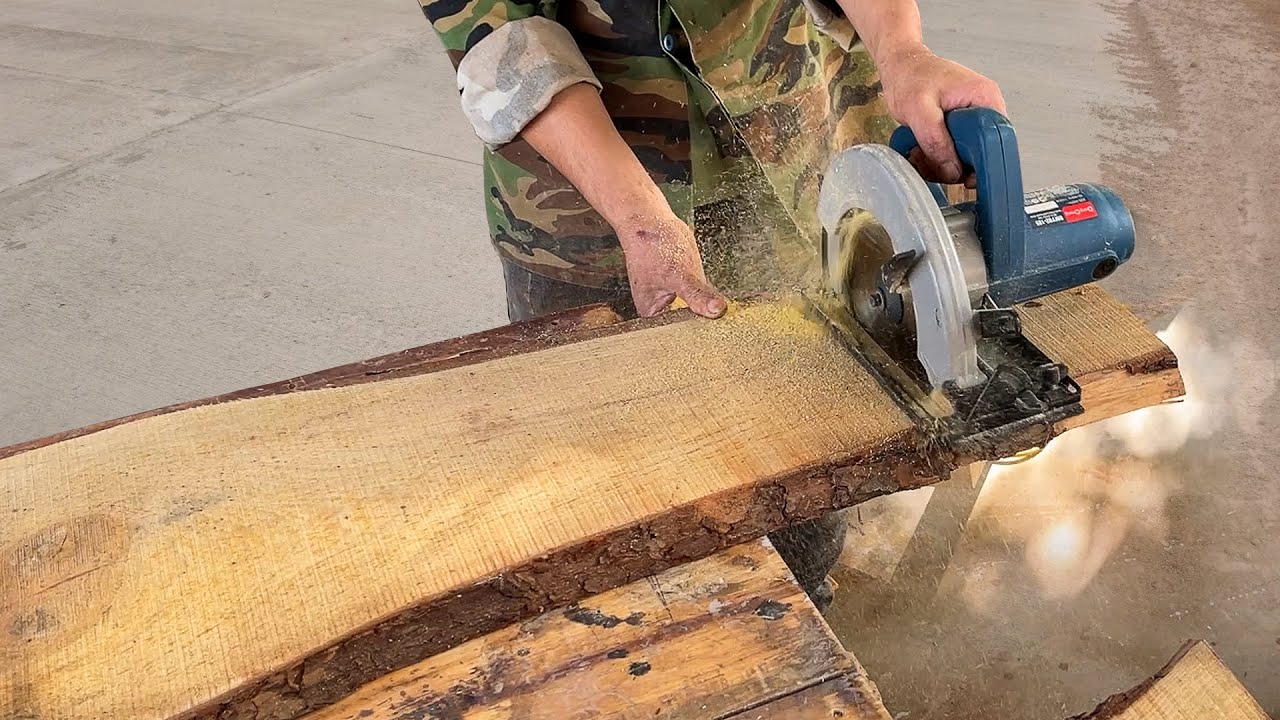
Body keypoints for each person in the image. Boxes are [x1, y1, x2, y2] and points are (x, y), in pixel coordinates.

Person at [420, 0, 1006, 610]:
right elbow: (504, 43)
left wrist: (903, 52)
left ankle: (802, 610)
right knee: (591, 478)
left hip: (779, 153)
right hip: (582, 207)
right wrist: (641, 221)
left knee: (800, 450)